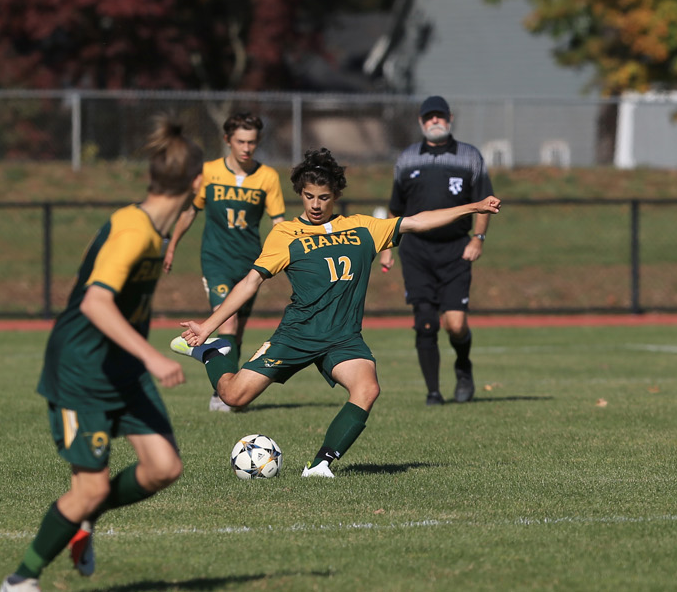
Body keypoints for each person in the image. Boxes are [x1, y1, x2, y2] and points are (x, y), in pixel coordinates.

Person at [172, 148, 500, 478]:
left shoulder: (363, 228)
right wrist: (207, 326)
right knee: (232, 397)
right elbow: (249, 283)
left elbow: (417, 221)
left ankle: (320, 465)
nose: (316, 204)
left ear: (336, 196)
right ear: (301, 194)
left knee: (368, 389)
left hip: (342, 338)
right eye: (309, 196)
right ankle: (211, 351)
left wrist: (474, 206)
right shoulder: (286, 234)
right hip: (297, 335)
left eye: (324, 197)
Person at [0, 119, 204, 592]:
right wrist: (153, 358)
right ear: (195, 183)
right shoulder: (133, 231)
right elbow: (95, 302)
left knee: (163, 468)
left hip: (121, 368)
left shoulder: (156, 227)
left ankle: (85, 518)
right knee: (88, 487)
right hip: (81, 370)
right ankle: (21, 579)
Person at [163, 112, 285, 412]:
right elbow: (190, 211)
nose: (247, 148)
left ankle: (228, 389)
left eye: (253, 142)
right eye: (241, 141)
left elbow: (279, 222)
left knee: (237, 331)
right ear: (227, 140)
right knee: (227, 321)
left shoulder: (267, 177)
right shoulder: (209, 173)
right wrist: (172, 246)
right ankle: (222, 393)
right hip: (216, 260)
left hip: (251, 265)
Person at [378, 95, 495, 406]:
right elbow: (395, 209)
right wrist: (388, 249)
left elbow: (485, 202)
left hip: (456, 249)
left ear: (449, 118)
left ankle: (463, 366)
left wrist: (477, 239)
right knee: (425, 322)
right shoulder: (407, 158)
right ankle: (433, 393)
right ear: (420, 122)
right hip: (416, 251)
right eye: (429, 117)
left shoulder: (469, 156)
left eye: (439, 116)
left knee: (455, 324)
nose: (434, 121)